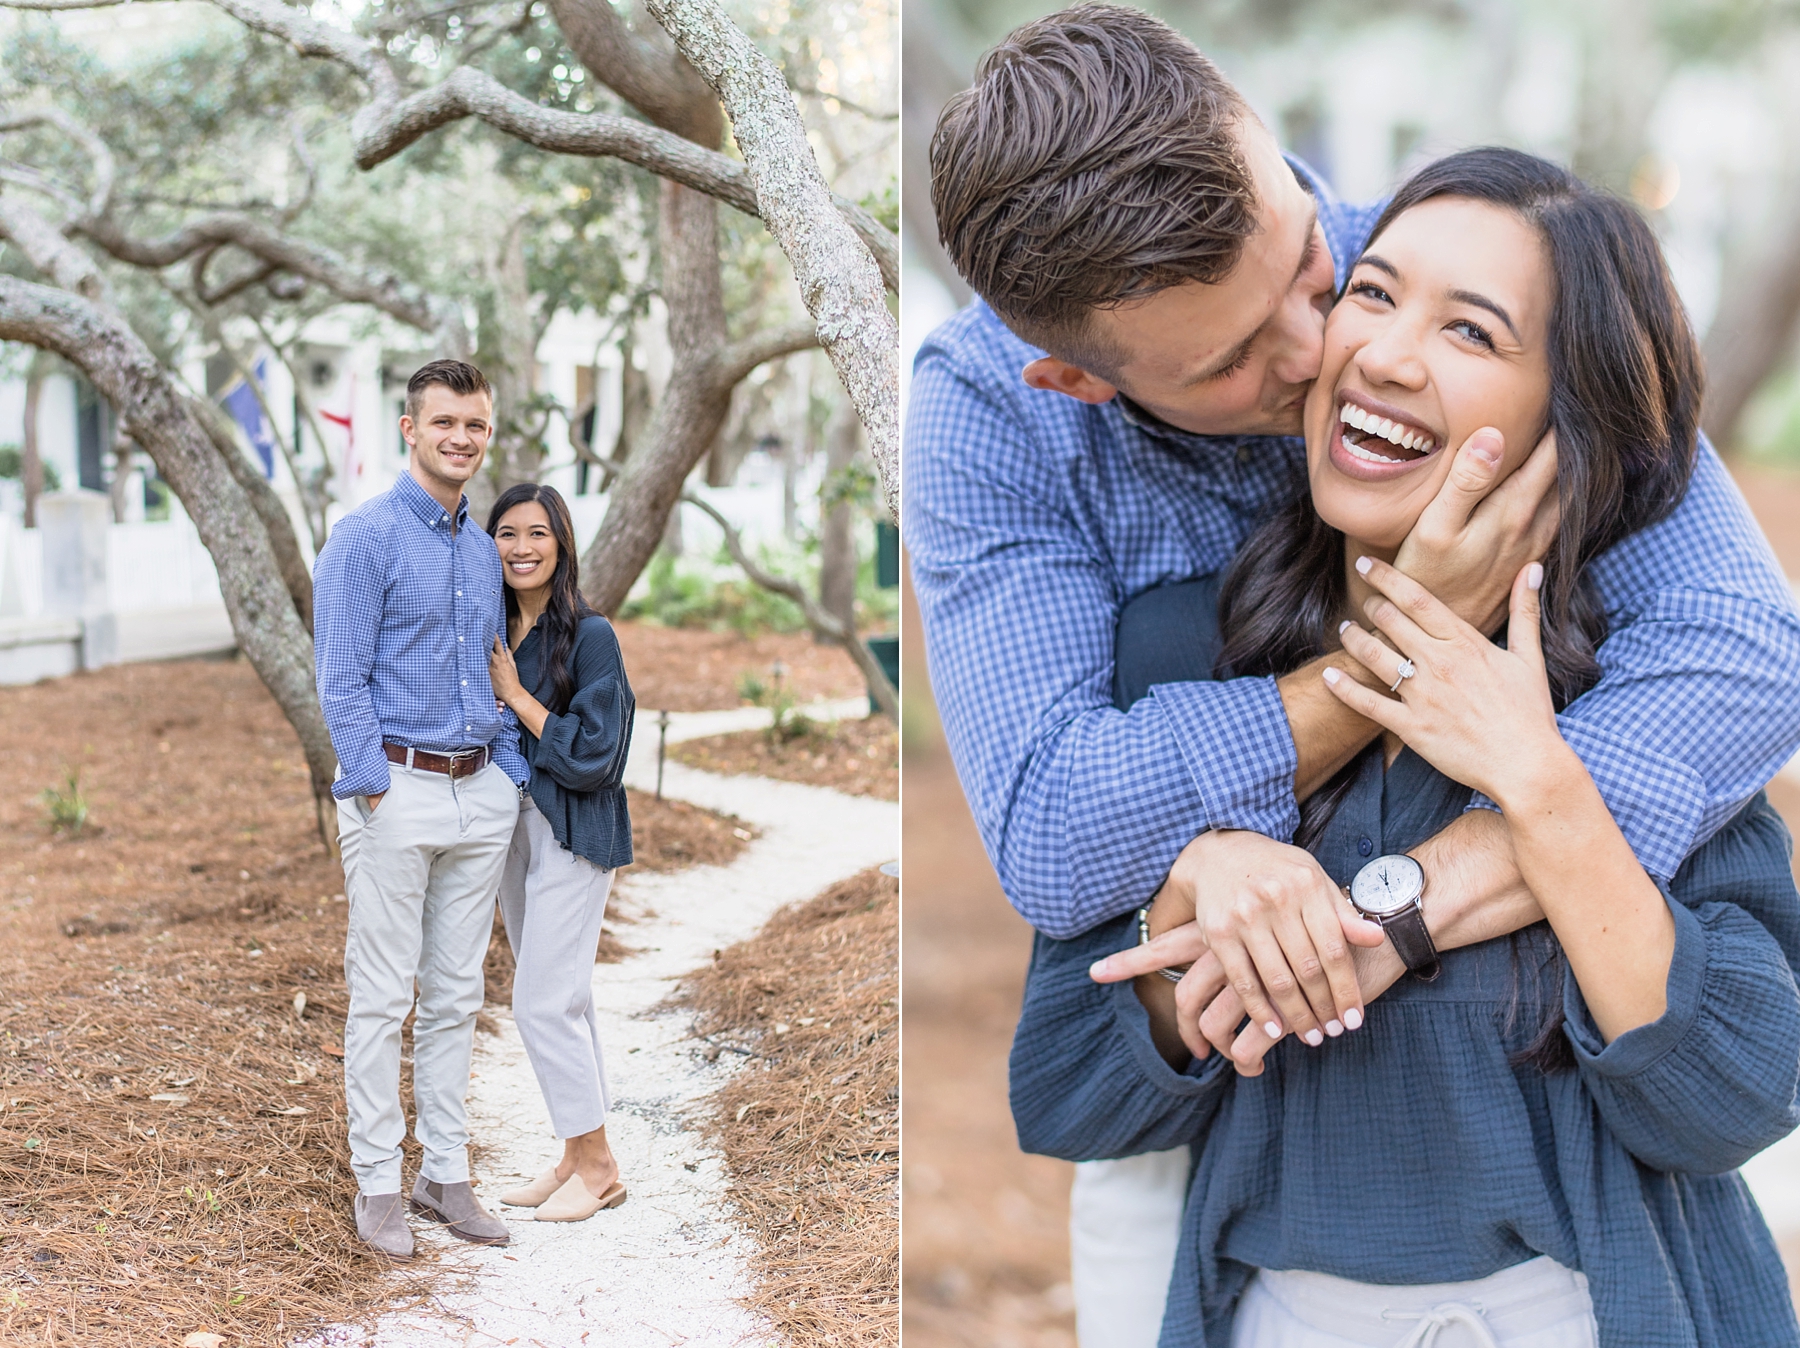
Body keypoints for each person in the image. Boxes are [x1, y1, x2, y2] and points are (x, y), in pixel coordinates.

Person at [909, 7, 1800, 1339]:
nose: (1338, 348)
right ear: (1076, 379)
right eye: (1239, 358)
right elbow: (1054, 829)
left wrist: (1406, 901)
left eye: (1320, 272)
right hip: (1227, 1190)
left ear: (1265, 146)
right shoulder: (995, 419)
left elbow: (1743, 654)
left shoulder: (1456, 261)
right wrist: (1360, 686)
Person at [313, 358, 526, 1259]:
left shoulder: (484, 552)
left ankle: (446, 1173)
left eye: (475, 425)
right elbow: (338, 678)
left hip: (479, 793)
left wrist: (506, 775)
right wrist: (373, 787)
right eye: (444, 423)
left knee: (454, 996)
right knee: (380, 998)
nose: (461, 439)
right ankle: (377, 1185)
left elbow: (495, 668)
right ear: (410, 429)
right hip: (395, 792)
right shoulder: (362, 540)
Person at [480, 482, 636, 1223]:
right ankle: (574, 1156)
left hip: (574, 829)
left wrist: (516, 696)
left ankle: (600, 1165)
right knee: (564, 997)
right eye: (506, 533)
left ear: (560, 542)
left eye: (536, 533)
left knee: (540, 1002)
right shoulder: (493, 627)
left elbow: (596, 757)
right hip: (514, 830)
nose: (520, 548)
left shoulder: (590, 635)